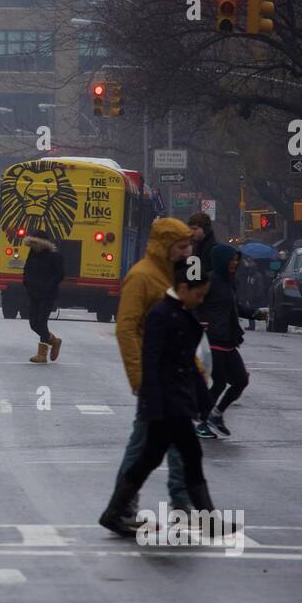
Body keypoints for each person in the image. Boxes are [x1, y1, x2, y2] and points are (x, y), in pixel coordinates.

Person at [101, 263, 233, 536]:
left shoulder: (181, 314)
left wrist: (204, 402)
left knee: (149, 460)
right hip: (166, 404)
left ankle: (114, 512)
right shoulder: (162, 315)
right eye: (198, 295)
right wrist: (153, 405)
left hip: (174, 402)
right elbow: (151, 363)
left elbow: (187, 362)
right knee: (189, 455)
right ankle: (208, 521)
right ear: (183, 288)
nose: (200, 301)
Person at [98, 217, 196, 531]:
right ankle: (123, 508)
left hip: (174, 376)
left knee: (176, 445)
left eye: (188, 246)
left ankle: (181, 507)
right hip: (154, 379)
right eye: (181, 246)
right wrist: (139, 377)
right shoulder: (142, 277)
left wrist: (196, 370)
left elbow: (180, 330)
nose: (187, 252)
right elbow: (126, 329)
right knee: (144, 446)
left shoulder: (172, 277)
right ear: (165, 246)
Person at [197, 243, 261, 438]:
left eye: (236, 259)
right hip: (213, 339)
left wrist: (256, 314)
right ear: (221, 261)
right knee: (219, 383)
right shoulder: (210, 281)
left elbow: (235, 307)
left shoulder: (229, 281)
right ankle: (202, 422)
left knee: (241, 380)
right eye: (232, 259)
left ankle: (216, 415)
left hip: (228, 340)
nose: (235, 263)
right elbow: (193, 302)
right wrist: (201, 323)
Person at [21, 228, 65, 363]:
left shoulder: (55, 256)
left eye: (35, 244)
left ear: (42, 244)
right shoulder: (32, 255)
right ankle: (54, 341)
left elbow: (60, 274)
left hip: (48, 294)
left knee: (41, 321)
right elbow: (27, 270)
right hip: (34, 293)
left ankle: (42, 354)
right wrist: (27, 283)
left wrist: (48, 286)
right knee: (33, 323)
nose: (33, 247)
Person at [236, 255, 264, 331]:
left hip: (254, 297)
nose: (250, 270)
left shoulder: (258, 276)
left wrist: (257, 296)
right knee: (248, 310)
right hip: (248, 296)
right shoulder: (247, 276)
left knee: (252, 310)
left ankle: (253, 326)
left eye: (251, 269)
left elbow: (260, 287)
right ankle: (251, 326)